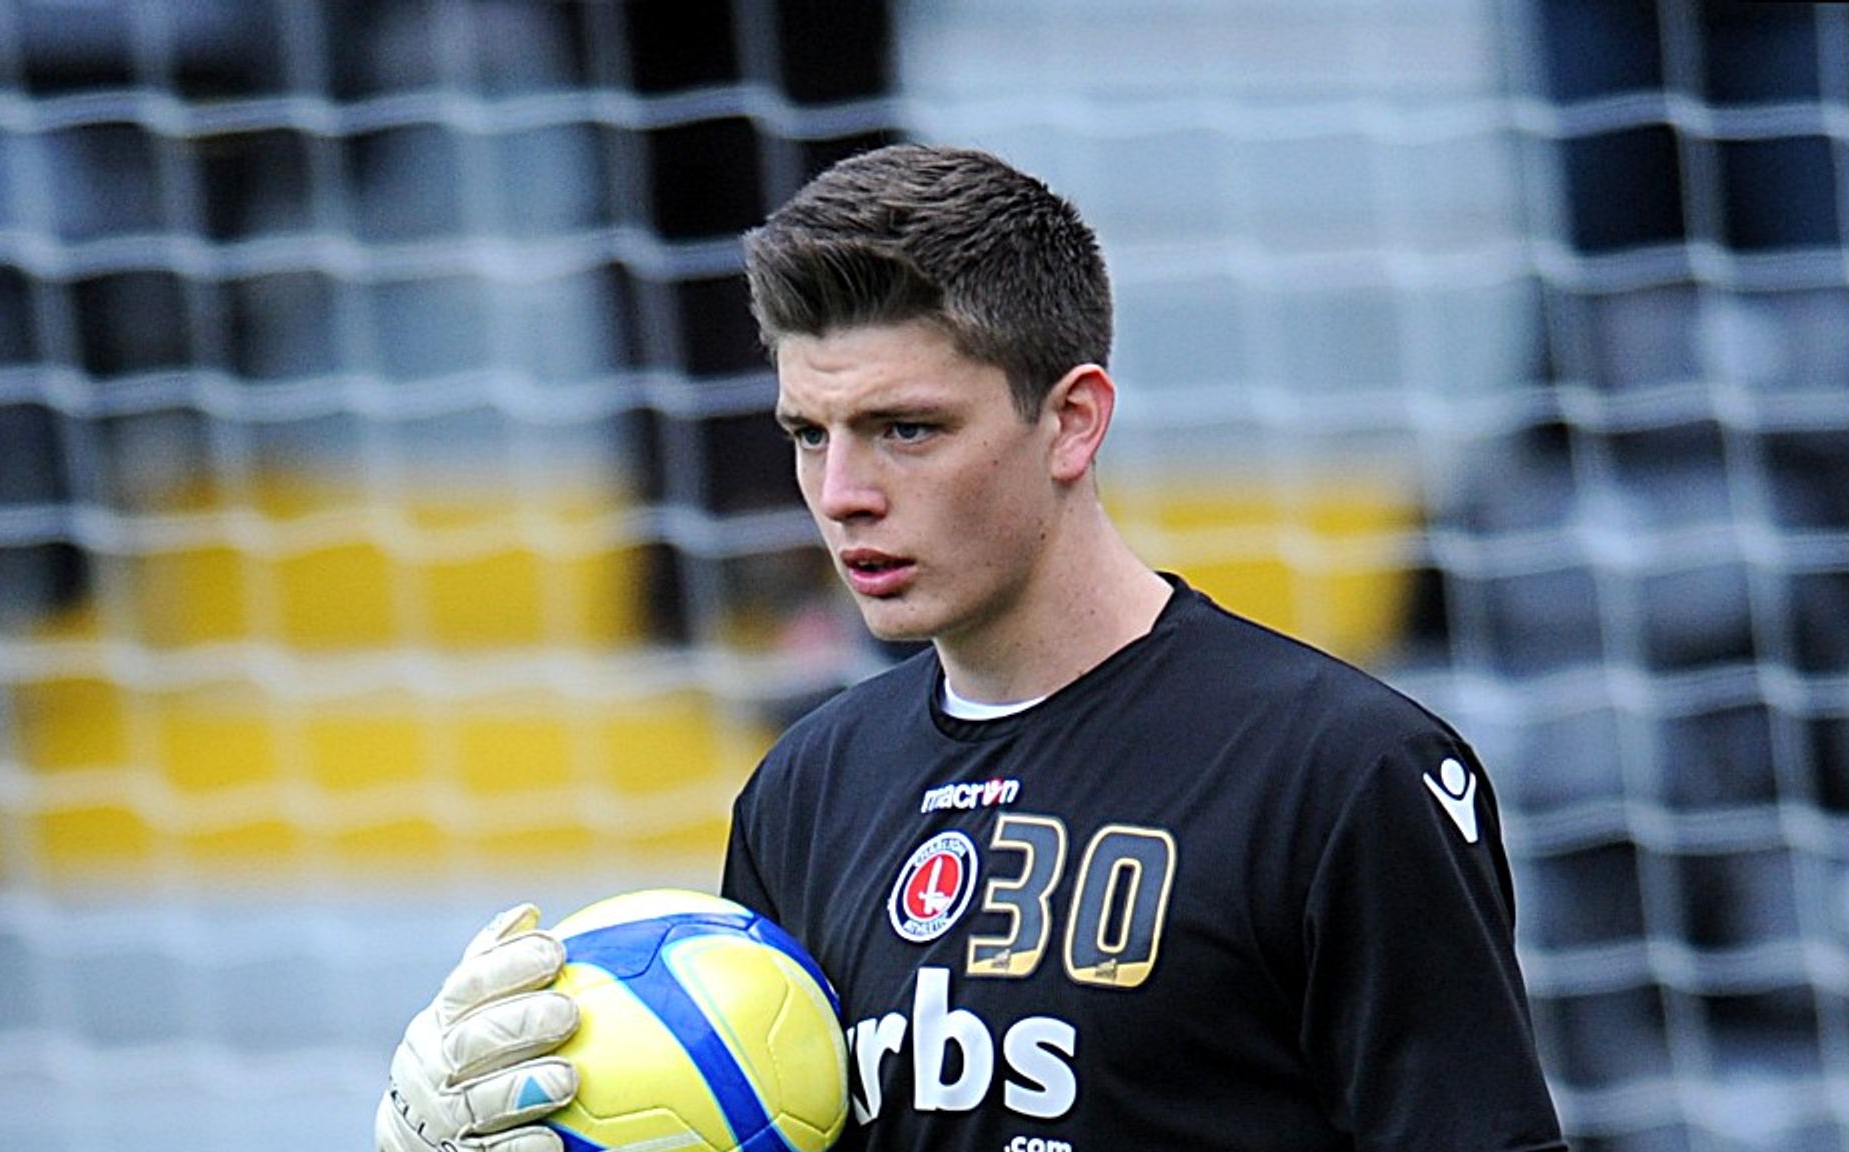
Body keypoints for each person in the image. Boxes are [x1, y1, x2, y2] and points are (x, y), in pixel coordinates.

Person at [376, 143, 1568, 1152]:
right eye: (806, 433)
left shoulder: (1339, 769)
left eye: (905, 430)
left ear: (1071, 420)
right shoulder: (809, 785)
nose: (840, 495)